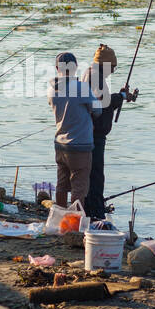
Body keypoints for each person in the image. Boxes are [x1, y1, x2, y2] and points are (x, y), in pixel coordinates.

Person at [82, 44, 137, 219]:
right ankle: (95, 212)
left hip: (90, 132)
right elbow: (101, 103)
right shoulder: (96, 76)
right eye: (112, 67)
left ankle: (91, 209)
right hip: (94, 134)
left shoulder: (91, 74)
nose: (113, 71)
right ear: (105, 64)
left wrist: (119, 97)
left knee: (91, 175)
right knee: (96, 175)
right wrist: (120, 97)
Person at [48, 51, 101, 209]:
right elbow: (97, 111)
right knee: (79, 188)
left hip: (60, 144)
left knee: (62, 186)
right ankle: (74, 225)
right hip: (80, 146)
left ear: (57, 68)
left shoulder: (51, 89)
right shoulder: (81, 87)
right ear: (75, 67)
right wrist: (95, 100)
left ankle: (60, 219)